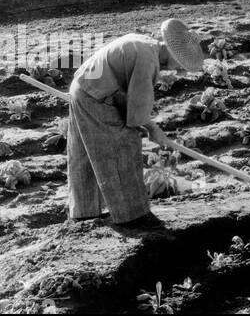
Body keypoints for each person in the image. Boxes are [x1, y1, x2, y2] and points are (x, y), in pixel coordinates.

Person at [66, 19, 206, 228]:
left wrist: (148, 126)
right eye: (180, 63)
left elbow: (129, 99)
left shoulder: (145, 45)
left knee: (85, 154)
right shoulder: (147, 60)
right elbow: (136, 110)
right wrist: (152, 128)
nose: (179, 69)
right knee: (123, 146)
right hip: (94, 96)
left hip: (83, 89)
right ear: (170, 51)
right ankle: (133, 216)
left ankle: (84, 214)